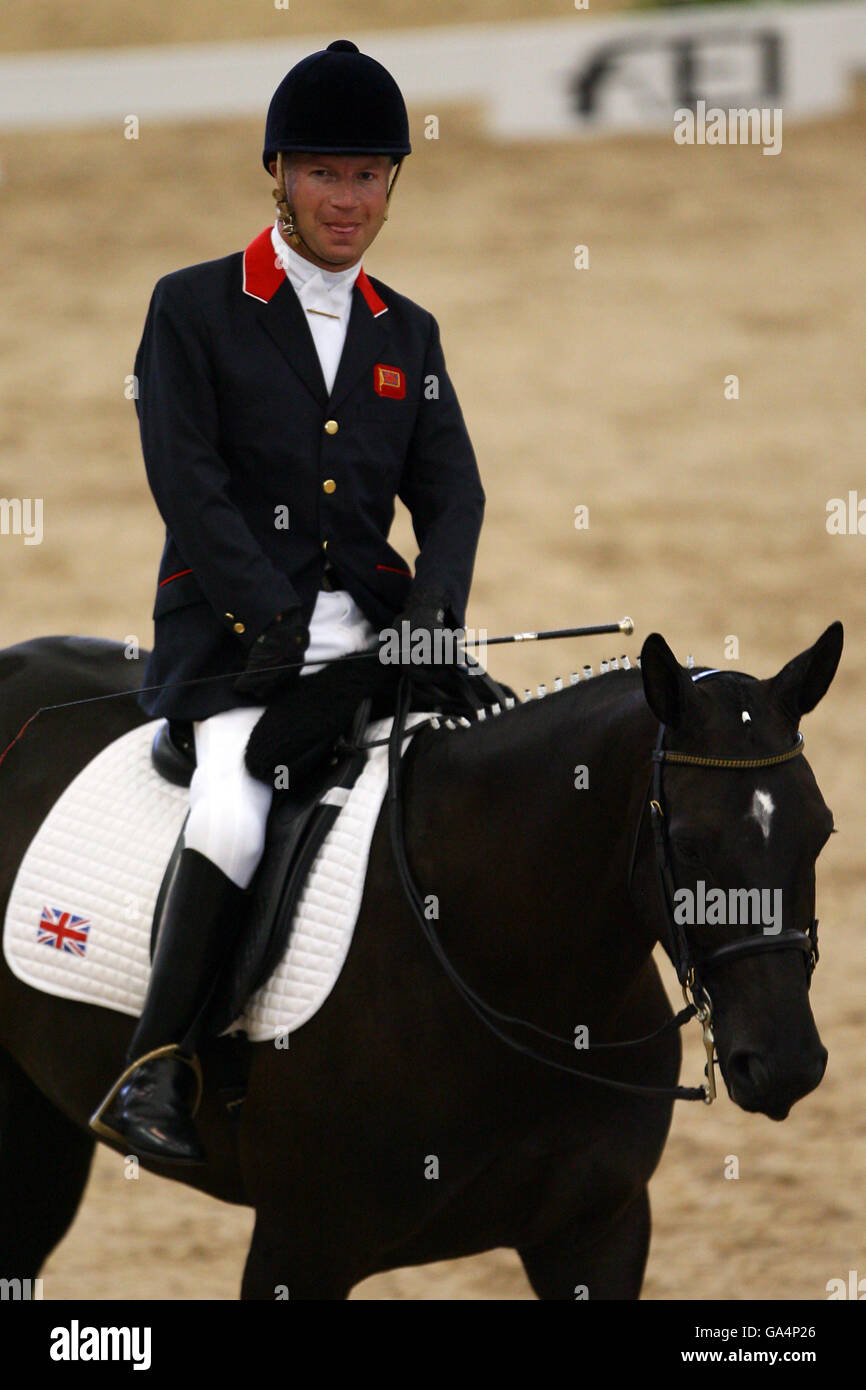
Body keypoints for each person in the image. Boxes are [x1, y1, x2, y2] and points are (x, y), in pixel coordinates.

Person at [90, 40, 486, 1164]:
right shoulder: (193, 309)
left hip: (372, 643)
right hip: (232, 650)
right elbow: (188, 480)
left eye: (369, 176)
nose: (348, 200)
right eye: (324, 173)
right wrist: (266, 611)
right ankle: (152, 1067)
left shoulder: (405, 335)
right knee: (230, 811)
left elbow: (453, 493)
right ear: (277, 172)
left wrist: (433, 615)